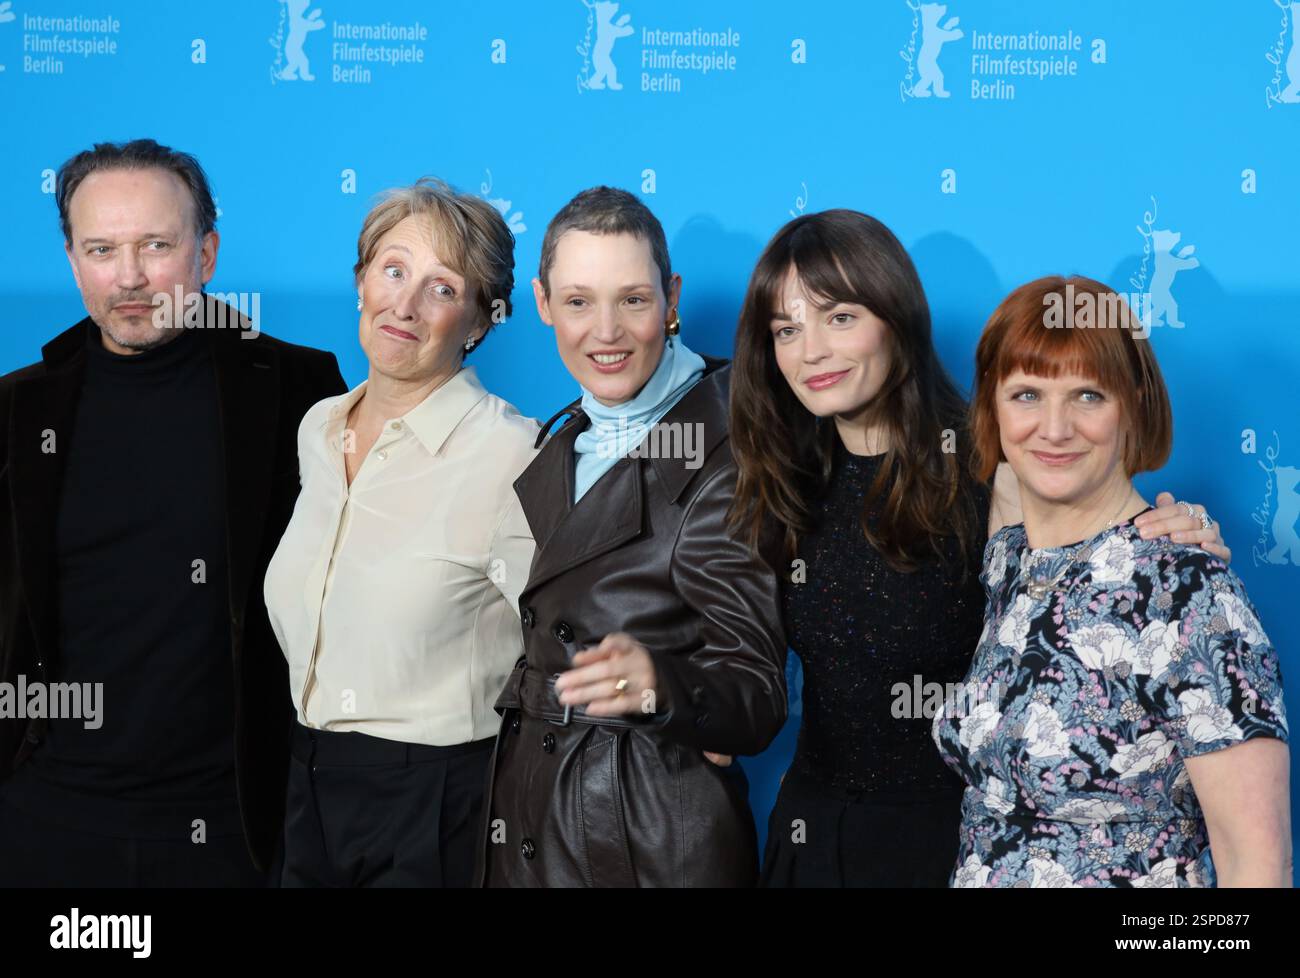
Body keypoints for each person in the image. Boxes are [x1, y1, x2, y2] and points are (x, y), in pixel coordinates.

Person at [726, 210, 1233, 887]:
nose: (810, 350)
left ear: (896, 315)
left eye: (839, 317)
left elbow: (1105, 581)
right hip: (810, 838)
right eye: (786, 329)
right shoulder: (784, 477)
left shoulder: (995, 466)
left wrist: (1179, 530)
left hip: (954, 841)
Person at [0, 138, 347, 886]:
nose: (130, 277)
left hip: (235, 826)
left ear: (206, 252)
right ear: (71, 259)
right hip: (44, 821)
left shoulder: (299, 389)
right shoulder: (15, 408)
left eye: (157, 245)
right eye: (101, 249)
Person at [933, 275, 1290, 887]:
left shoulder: (1189, 593)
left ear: (1135, 406)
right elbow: (1023, 468)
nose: (1054, 427)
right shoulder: (1013, 562)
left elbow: (1258, 866)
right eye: (1025, 394)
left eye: (1089, 396)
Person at [477, 187, 788, 887]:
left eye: (634, 301)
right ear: (544, 303)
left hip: (646, 843)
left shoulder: (730, 451)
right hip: (532, 823)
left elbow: (757, 695)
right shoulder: (560, 437)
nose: (606, 332)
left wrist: (662, 685)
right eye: (580, 302)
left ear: (671, 298)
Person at [264, 179, 538, 887]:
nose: (406, 305)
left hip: (436, 804)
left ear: (479, 321)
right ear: (361, 282)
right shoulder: (318, 430)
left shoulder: (512, 453)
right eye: (393, 271)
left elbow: (567, 645)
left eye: (443, 288)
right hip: (305, 785)